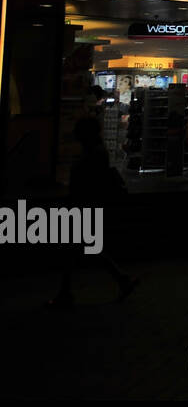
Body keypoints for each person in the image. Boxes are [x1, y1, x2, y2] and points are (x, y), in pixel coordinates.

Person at [48, 117, 138, 308]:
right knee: (85, 248)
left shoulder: (91, 154)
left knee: (74, 249)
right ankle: (121, 280)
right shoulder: (98, 152)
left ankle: (67, 293)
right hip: (88, 205)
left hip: (83, 206)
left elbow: (84, 183)